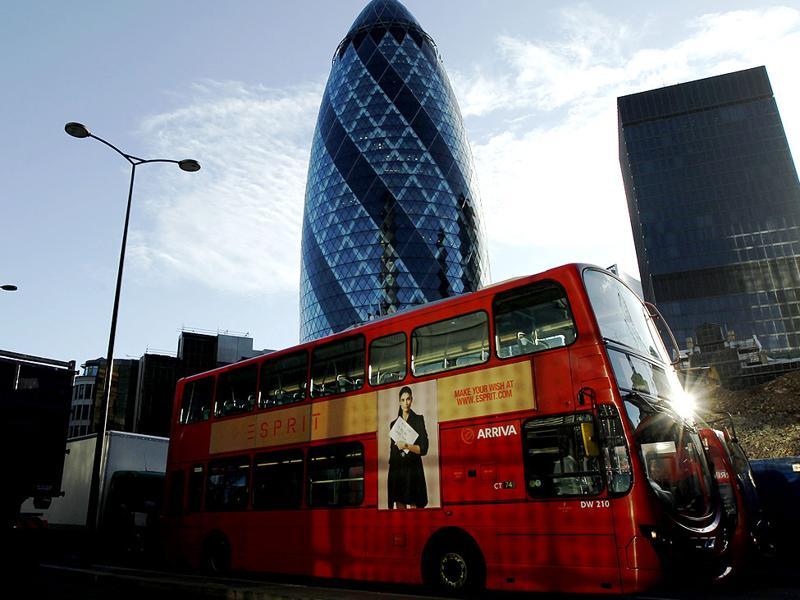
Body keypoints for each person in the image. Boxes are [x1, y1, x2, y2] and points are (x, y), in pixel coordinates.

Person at [388, 386, 429, 508]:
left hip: (413, 470)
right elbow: (392, 454)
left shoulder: (418, 420)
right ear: (399, 401)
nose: (406, 403)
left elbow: (424, 449)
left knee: (414, 510)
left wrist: (406, 445)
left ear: (412, 400)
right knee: (400, 509)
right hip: (398, 471)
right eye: (403, 399)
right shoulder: (393, 424)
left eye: (408, 399)